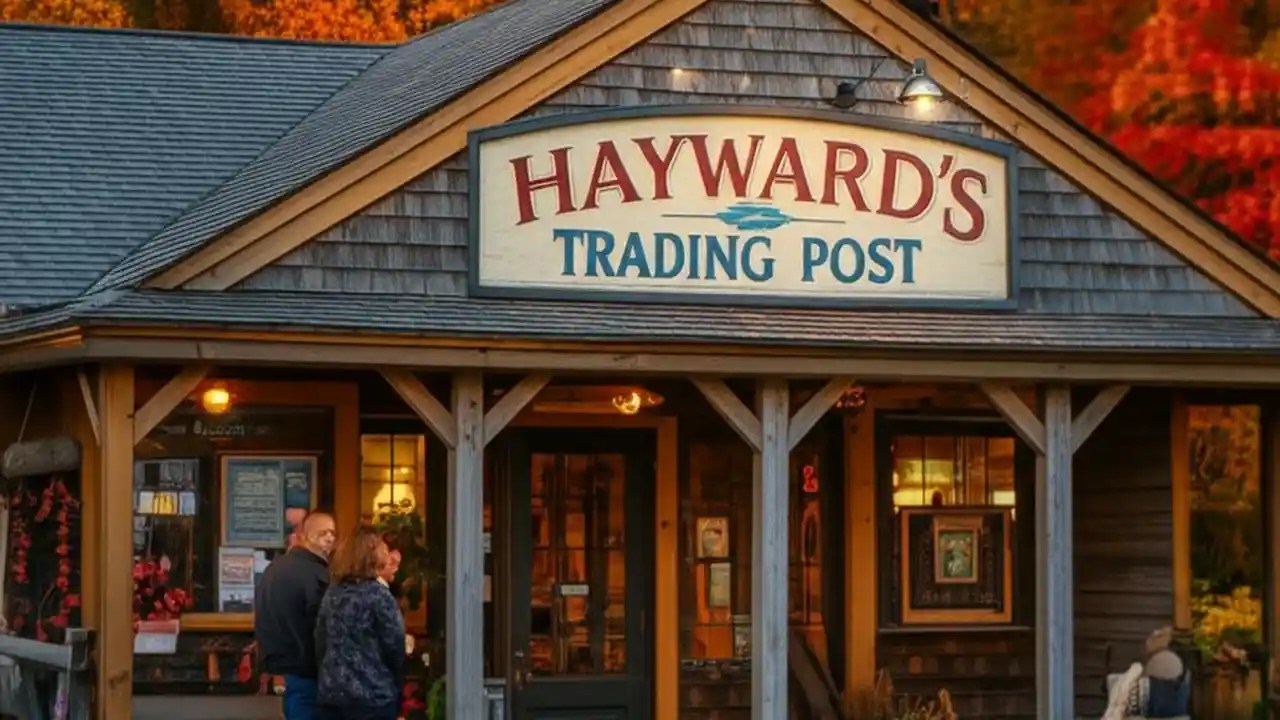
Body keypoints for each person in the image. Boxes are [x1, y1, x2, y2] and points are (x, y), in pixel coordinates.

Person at [315, 527, 406, 720]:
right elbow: (394, 645)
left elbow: (320, 640)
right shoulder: (379, 595)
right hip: (372, 694)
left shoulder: (333, 593)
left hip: (333, 692)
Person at [254, 511, 337, 720]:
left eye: (333, 533)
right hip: (308, 669)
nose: (330, 538)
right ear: (306, 535)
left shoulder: (275, 568)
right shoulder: (317, 575)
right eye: (323, 532)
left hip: (281, 665)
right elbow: (323, 624)